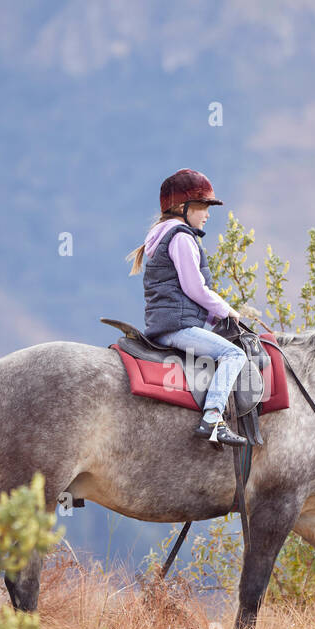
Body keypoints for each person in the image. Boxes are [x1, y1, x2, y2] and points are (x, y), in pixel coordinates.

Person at [127, 168, 250, 447]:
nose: (207, 214)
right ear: (182, 208)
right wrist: (226, 310)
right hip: (178, 327)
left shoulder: (160, 234)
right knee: (234, 354)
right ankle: (214, 417)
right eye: (202, 206)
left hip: (164, 324)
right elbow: (195, 288)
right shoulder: (182, 238)